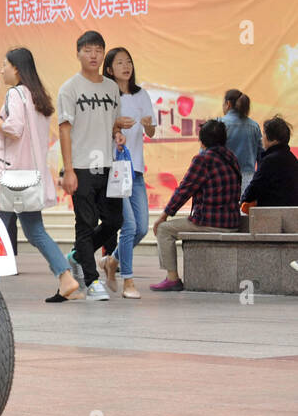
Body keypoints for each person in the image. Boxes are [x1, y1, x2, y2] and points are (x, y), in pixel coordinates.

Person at [0, 49, 77, 302]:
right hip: (27, 178)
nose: (2, 70)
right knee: (35, 231)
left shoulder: (15, 94)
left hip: (7, 177)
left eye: (5, 65)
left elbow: (14, 129)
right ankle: (65, 276)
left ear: (17, 68)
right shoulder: (38, 97)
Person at [57, 31, 126, 302]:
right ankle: (91, 280)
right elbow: (64, 130)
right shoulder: (69, 88)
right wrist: (69, 169)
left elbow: (112, 123)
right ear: (78, 54)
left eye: (98, 50)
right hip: (82, 166)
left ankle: (76, 255)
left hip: (107, 165)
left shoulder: (111, 88)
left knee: (114, 221)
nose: (94, 55)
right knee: (85, 224)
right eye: (88, 50)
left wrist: (117, 134)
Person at [151, 119, 242, 290]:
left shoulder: (203, 159)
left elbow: (184, 190)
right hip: (232, 221)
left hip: (211, 222)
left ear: (202, 140)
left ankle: (172, 279)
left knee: (164, 230)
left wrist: (163, 216)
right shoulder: (232, 157)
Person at [102, 47, 156, 299]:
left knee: (143, 227)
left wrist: (148, 125)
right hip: (115, 168)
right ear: (110, 69)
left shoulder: (141, 94)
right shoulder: (106, 94)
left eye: (129, 62)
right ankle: (129, 282)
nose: (126, 66)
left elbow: (152, 131)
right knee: (130, 225)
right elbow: (99, 127)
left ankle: (111, 260)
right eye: (120, 62)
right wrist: (115, 125)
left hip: (136, 169)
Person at [242, 116, 298, 208]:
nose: (261, 138)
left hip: (272, 215)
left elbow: (253, 190)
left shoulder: (269, 161)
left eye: (263, 134)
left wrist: (243, 200)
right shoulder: (293, 159)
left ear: (273, 139)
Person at [221, 90, 263, 196]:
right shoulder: (254, 126)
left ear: (228, 104)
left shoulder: (219, 124)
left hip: (223, 179)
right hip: (248, 180)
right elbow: (261, 157)